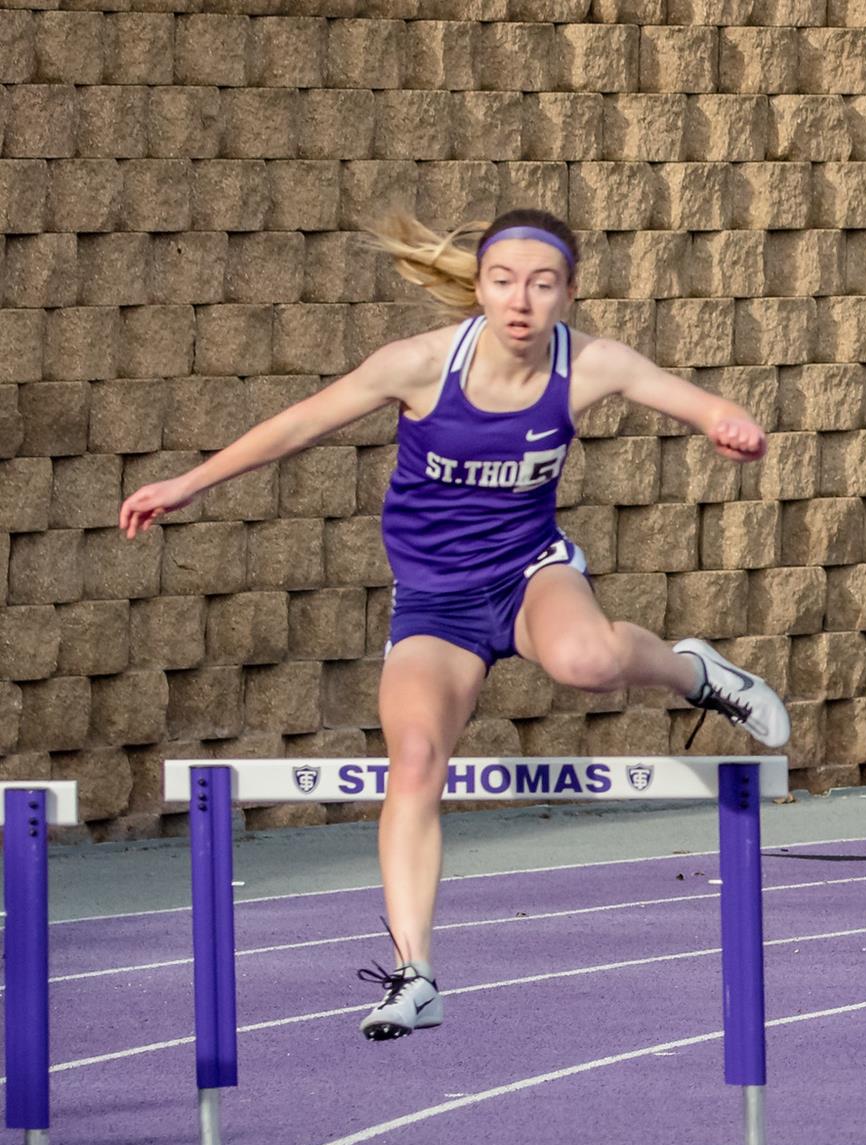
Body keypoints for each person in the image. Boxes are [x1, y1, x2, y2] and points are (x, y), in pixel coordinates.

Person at [119, 209, 790, 1040]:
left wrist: (728, 423)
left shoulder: (591, 365)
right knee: (415, 758)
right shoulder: (420, 364)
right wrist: (190, 483)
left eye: (543, 287)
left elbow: (691, 400)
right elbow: (298, 424)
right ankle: (416, 972)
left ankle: (697, 674)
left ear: (568, 294)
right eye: (504, 282)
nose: (522, 302)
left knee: (585, 660)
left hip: (529, 575)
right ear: (478, 288)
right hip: (435, 601)